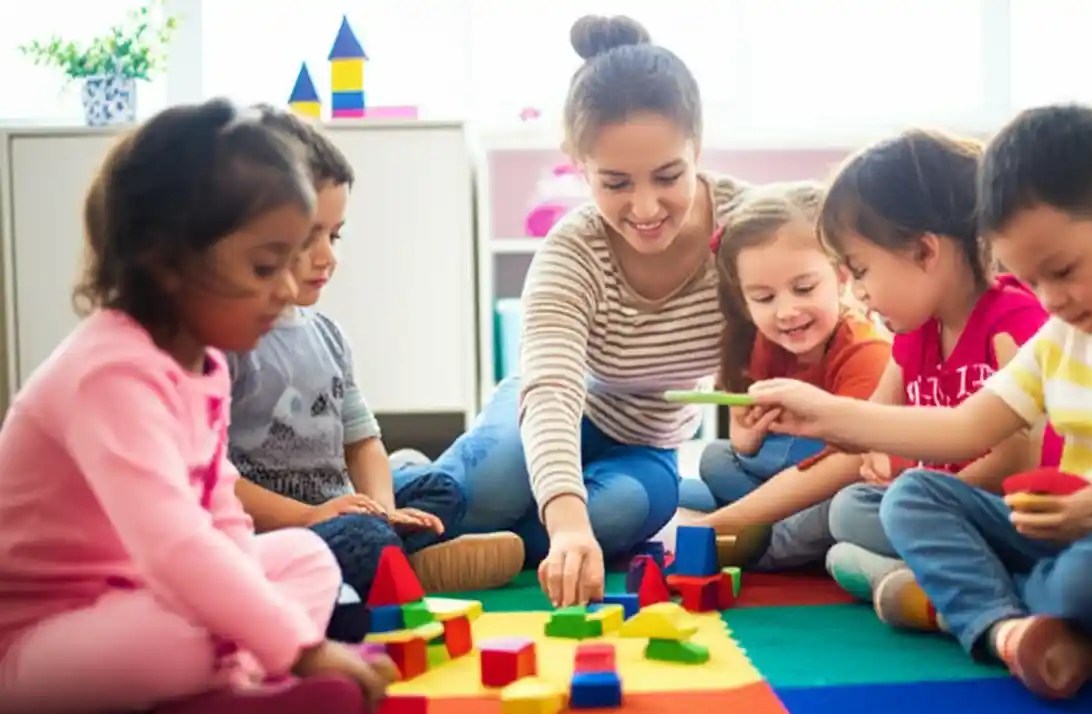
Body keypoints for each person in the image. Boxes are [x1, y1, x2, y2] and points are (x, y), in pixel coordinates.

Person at [748, 104, 1092, 700]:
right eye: (1034, 280)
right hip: (1079, 540)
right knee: (913, 495)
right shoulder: (1065, 336)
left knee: (1089, 574)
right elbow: (963, 428)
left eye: (1063, 271)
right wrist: (823, 413)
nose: (1050, 300)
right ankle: (1006, 629)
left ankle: (961, 602)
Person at [0, 99, 394, 714]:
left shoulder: (203, 367)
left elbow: (222, 514)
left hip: (149, 593)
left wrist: (270, 623)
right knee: (191, 630)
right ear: (166, 265)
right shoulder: (110, 373)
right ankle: (237, 683)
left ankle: (232, 683)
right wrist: (301, 647)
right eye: (267, 266)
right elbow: (175, 545)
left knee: (307, 559)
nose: (289, 290)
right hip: (48, 636)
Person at [392, 14, 753, 607]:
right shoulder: (572, 250)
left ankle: (478, 545)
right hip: (556, 410)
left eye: (668, 176)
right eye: (615, 183)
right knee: (485, 490)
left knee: (620, 515)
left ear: (698, 146)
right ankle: (411, 485)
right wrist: (563, 525)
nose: (645, 207)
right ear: (576, 161)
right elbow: (554, 389)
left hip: (646, 448)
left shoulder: (745, 230)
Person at [227, 106, 523, 604]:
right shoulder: (227, 343)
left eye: (333, 234)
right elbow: (212, 481)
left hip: (345, 505)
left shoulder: (327, 335)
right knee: (363, 541)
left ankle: (394, 560)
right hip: (283, 529)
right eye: (308, 238)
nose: (327, 257)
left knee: (440, 490)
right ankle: (399, 566)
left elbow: (363, 443)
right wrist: (310, 516)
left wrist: (385, 507)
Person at [811, 130, 1060, 630]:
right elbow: (870, 427)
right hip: (945, 506)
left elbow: (1018, 455)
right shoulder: (917, 333)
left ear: (925, 252)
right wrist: (874, 453)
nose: (858, 293)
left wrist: (930, 498)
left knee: (897, 508)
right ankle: (926, 580)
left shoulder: (1012, 323)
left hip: (1021, 515)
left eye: (861, 271)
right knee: (847, 514)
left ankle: (956, 591)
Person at [678, 181, 890, 570]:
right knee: (715, 458)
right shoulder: (766, 342)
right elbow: (746, 444)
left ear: (841, 276)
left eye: (804, 288)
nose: (787, 311)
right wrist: (746, 437)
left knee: (837, 508)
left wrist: (729, 520)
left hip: (840, 472)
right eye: (764, 298)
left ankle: (767, 544)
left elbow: (849, 460)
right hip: (788, 470)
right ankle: (768, 527)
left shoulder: (866, 350)